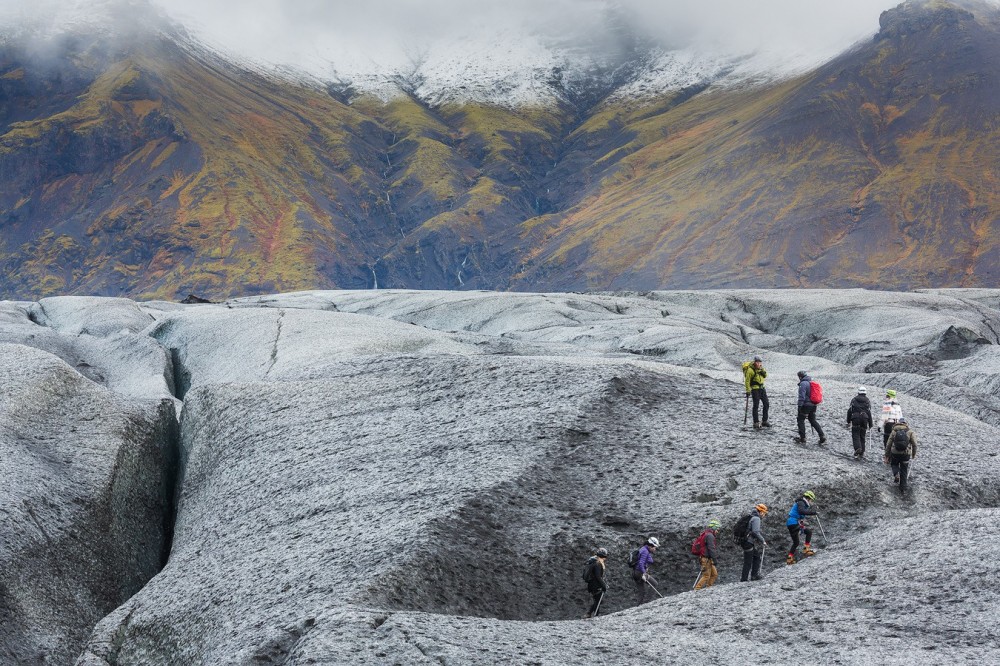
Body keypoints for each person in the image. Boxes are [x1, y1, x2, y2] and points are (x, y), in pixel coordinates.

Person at [884, 418, 917, 492]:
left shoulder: (894, 431)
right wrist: (913, 455)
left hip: (895, 453)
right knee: (904, 470)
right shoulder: (910, 432)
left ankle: (896, 474)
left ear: (898, 423)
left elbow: (888, 444)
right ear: (906, 423)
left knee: (894, 464)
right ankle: (903, 488)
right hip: (906, 454)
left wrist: (887, 455)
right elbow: (914, 445)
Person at [786, 491, 818, 564]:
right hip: (794, 522)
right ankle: (806, 549)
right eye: (811, 500)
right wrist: (813, 512)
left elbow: (801, 512)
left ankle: (789, 558)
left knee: (796, 542)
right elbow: (801, 511)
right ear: (809, 498)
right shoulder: (801, 502)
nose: (811, 502)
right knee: (809, 532)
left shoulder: (801, 503)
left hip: (790, 523)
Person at [795, 371, 826, 444]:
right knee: (813, 420)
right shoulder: (811, 382)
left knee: (800, 420)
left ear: (800, 377)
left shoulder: (803, 384)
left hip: (806, 405)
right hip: (814, 405)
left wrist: (799, 406)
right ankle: (822, 436)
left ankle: (802, 438)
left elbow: (801, 396)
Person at [740, 504, 768, 582]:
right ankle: (746, 578)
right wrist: (763, 541)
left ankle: (752, 576)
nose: (764, 515)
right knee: (748, 561)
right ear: (761, 511)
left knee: (756, 557)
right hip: (748, 542)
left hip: (745, 541)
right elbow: (756, 532)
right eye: (764, 513)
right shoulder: (756, 519)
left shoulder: (750, 517)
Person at [742, 355, 770, 429]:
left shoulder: (761, 368)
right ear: (755, 362)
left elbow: (765, 375)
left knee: (766, 404)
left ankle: (764, 421)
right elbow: (747, 381)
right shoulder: (750, 370)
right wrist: (748, 391)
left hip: (762, 388)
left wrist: (762, 371)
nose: (759, 363)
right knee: (756, 406)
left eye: (760, 362)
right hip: (755, 389)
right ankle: (756, 422)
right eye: (758, 362)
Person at [847, 387, 874, 458]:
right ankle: (862, 452)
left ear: (858, 392)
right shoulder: (868, 401)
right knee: (862, 436)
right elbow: (869, 412)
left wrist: (848, 421)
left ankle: (858, 448)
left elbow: (850, 410)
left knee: (855, 434)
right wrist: (870, 424)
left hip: (855, 418)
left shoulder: (854, 399)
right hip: (865, 418)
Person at [693, 520, 721, 590]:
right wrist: (715, 559)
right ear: (714, 528)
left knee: (714, 574)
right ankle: (696, 589)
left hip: (708, 558)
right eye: (717, 529)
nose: (718, 531)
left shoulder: (706, 534)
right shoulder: (710, 536)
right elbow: (711, 548)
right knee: (706, 576)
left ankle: (708, 588)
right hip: (706, 559)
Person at [632, 537, 659, 604]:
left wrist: (646, 566)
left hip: (635, 572)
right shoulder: (645, 551)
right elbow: (641, 563)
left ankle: (639, 606)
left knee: (642, 592)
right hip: (639, 573)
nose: (655, 549)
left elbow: (647, 561)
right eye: (654, 547)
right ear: (650, 546)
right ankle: (646, 603)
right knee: (654, 583)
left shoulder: (644, 549)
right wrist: (644, 573)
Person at [583, 547, 609, 618]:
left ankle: (591, 614)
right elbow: (598, 577)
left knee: (596, 599)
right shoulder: (598, 564)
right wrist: (603, 585)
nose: (605, 559)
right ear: (603, 556)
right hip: (595, 585)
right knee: (598, 600)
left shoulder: (593, 562)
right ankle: (592, 614)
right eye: (605, 557)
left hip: (591, 584)